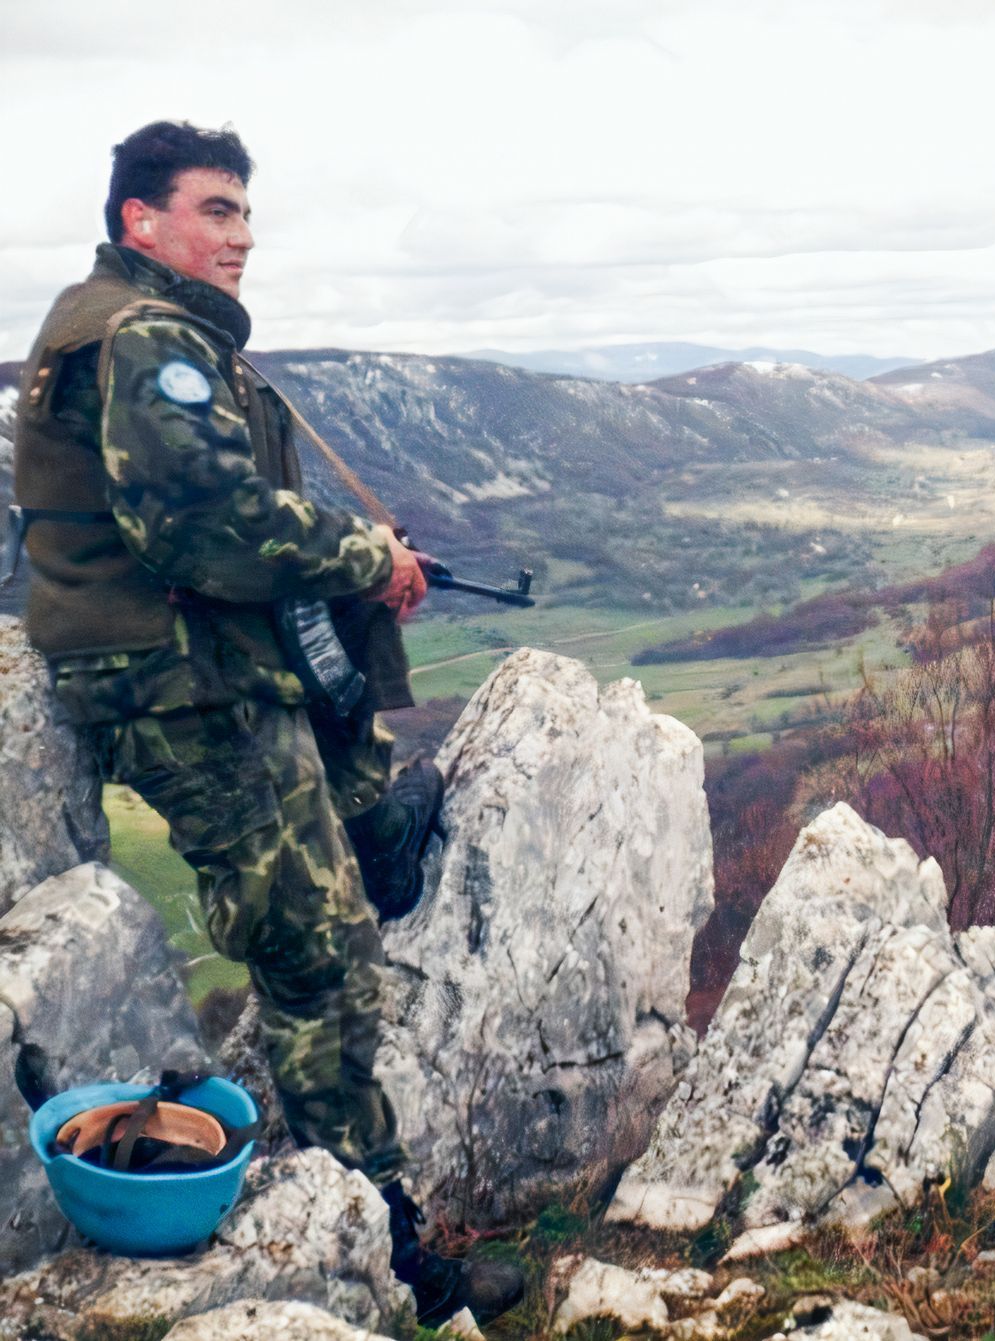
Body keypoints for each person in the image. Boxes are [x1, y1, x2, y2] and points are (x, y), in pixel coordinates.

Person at [11, 121, 521, 1323]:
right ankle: (388, 1236)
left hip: (208, 663)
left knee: (342, 762)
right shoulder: (143, 338)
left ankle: (366, 828)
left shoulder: (144, 323)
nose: (242, 236)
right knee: (321, 961)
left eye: (244, 213)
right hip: (182, 688)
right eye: (216, 211)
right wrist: (363, 553)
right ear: (143, 220)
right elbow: (203, 529)